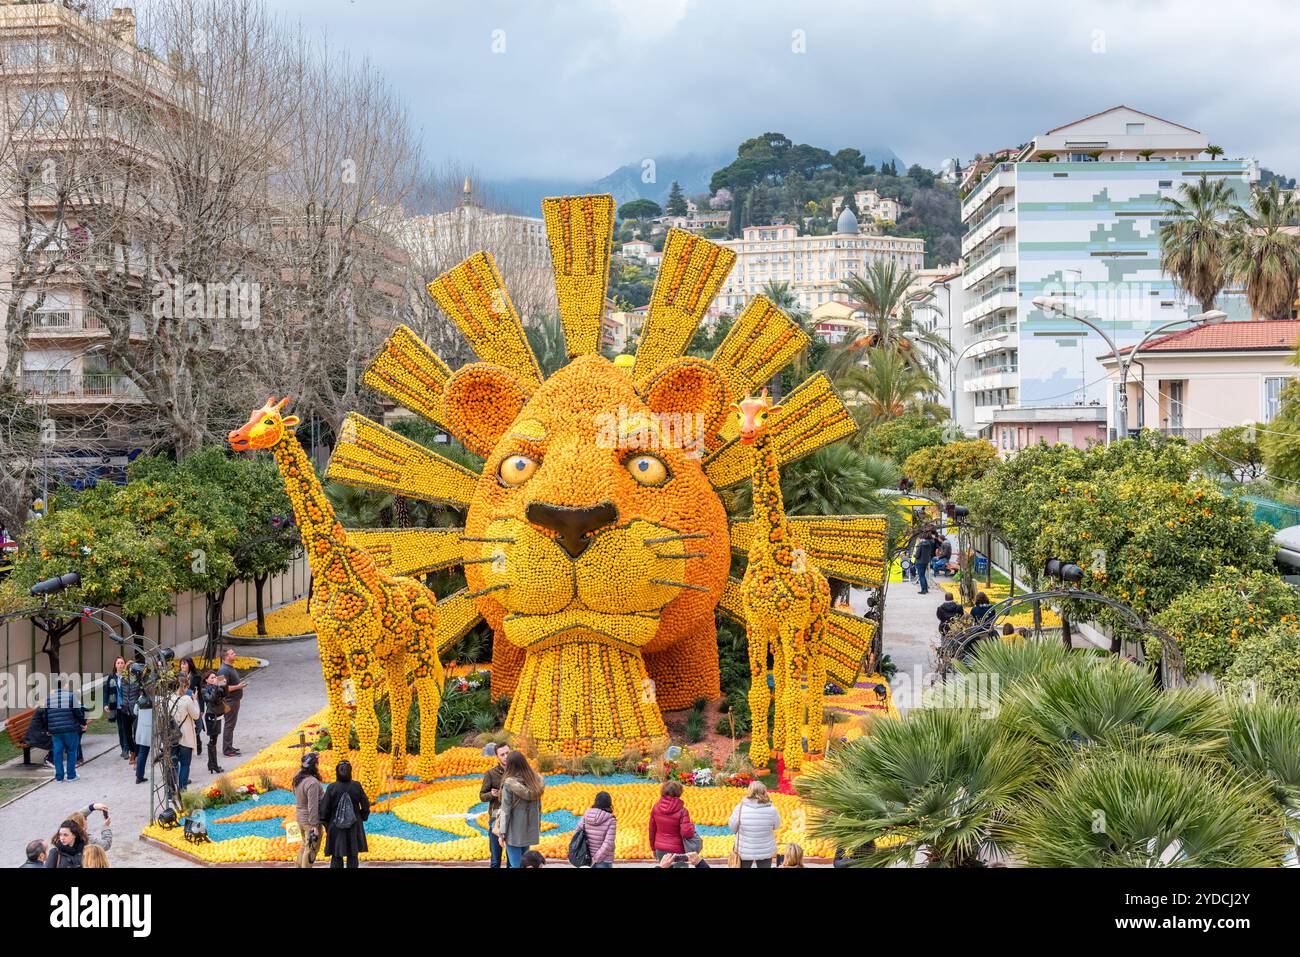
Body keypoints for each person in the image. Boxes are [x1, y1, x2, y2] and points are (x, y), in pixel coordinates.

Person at [494, 750, 544, 868]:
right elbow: (539, 808)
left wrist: (502, 834)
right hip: (529, 830)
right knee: (526, 864)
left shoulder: (509, 784)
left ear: (510, 765)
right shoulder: (535, 781)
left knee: (516, 865)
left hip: (514, 832)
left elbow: (506, 811)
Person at [322, 759, 370, 868]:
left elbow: (324, 809)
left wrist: (327, 824)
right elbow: (366, 805)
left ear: (337, 772)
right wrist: (362, 817)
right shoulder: (357, 786)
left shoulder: (331, 787)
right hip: (354, 825)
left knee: (336, 856)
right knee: (353, 855)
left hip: (336, 826)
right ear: (350, 772)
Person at [728, 780, 782, 869]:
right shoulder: (772, 810)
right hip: (765, 848)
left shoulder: (740, 808)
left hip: (744, 849)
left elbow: (732, 827)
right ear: (764, 792)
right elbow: (776, 825)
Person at [41, 682, 87, 783]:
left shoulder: (48, 698)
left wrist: (47, 729)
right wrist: (83, 723)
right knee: (71, 751)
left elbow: (45, 715)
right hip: (70, 729)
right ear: (65, 685)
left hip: (56, 731)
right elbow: (77, 712)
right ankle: (71, 775)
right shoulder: (71, 696)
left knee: (57, 753)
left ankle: (59, 777)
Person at [478, 741, 511, 868]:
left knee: (512, 860)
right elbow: (482, 796)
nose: (505, 756)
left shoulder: (517, 772)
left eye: (507, 753)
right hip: (496, 819)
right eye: (502, 754)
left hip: (513, 818)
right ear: (497, 757)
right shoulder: (491, 774)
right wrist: (492, 794)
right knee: (496, 860)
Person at [648, 779, 696, 864]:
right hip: (678, 850)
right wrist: (691, 826)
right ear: (679, 793)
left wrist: (653, 848)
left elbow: (651, 830)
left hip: (660, 848)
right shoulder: (682, 811)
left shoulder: (655, 808)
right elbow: (686, 833)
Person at [293, 752, 325, 868]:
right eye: (317, 763)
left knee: (304, 845)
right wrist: (314, 826)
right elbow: (312, 806)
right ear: (314, 766)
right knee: (311, 849)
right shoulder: (312, 782)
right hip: (309, 821)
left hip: (300, 818)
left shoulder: (298, 777)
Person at [171, 682, 201, 791]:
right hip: (185, 736)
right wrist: (195, 700)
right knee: (185, 764)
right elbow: (196, 715)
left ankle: (171, 792)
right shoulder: (187, 699)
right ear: (183, 686)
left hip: (171, 736)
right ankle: (182, 789)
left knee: (172, 765)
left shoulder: (167, 699)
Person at [217, 649, 247, 757]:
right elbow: (221, 687)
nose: (235, 654)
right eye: (232, 653)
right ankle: (227, 749)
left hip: (234, 701)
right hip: (230, 702)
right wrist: (238, 687)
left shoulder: (229, 668)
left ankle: (229, 746)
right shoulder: (223, 670)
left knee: (231, 725)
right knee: (229, 725)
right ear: (226, 657)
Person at [580, 790, 617, 868]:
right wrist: (596, 858)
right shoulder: (611, 819)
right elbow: (608, 843)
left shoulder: (586, 815)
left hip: (586, 857)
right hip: (604, 860)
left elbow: (577, 835)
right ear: (609, 803)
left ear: (596, 802)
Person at [200, 670, 227, 774]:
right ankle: (214, 765)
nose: (214, 678)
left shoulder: (217, 686)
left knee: (214, 739)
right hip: (211, 717)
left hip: (218, 715)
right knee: (212, 741)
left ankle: (211, 764)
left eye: (215, 677)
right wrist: (216, 686)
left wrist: (224, 684)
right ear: (206, 680)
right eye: (212, 677)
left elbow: (225, 694)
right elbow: (211, 699)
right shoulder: (204, 690)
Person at [105, 658, 132, 759]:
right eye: (118, 663)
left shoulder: (127, 676)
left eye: (122, 663)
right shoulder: (111, 677)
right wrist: (105, 704)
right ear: (115, 665)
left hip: (126, 706)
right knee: (121, 728)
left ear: (124, 665)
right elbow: (106, 691)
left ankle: (126, 749)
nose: (120, 665)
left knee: (126, 728)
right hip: (116, 707)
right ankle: (123, 748)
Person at [178, 657, 202, 759]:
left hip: (193, 702)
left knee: (197, 725)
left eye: (184, 664)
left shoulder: (196, 676)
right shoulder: (178, 676)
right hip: (182, 704)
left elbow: (199, 692)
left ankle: (197, 741)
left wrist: (202, 708)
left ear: (189, 665)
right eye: (181, 664)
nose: (182, 666)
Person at [133, 687, 154, 784]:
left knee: (142, 752)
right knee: (163, 751)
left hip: (142, 728)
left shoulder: (140, 698)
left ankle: (139, 775)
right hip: (152, 728)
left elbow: (135, 711)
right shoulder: (156, 698)